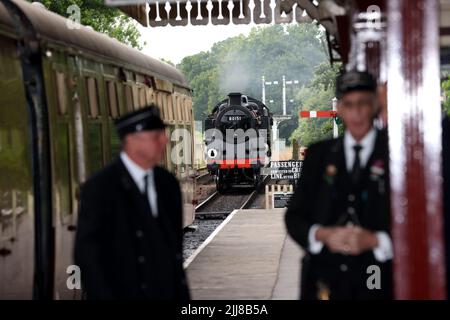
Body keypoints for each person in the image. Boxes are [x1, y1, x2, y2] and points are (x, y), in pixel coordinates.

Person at [285, 70, 393, 300]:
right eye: (349, 105)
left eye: (363, 104)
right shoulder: (318, 155)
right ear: (340, 108)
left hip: (377, 278)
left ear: (375, 105)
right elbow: (294, 217)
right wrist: (321, 234)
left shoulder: (395, 152)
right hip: (323, 280)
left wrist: (376, 240)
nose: (357, 113)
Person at [75, 104, 190, 300]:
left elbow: (174, 254)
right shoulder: (100, 188)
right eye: (155, 136)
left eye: (163, 134)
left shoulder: (168, 184)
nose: (164, 141)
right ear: (131, 140)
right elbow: (88, 257)